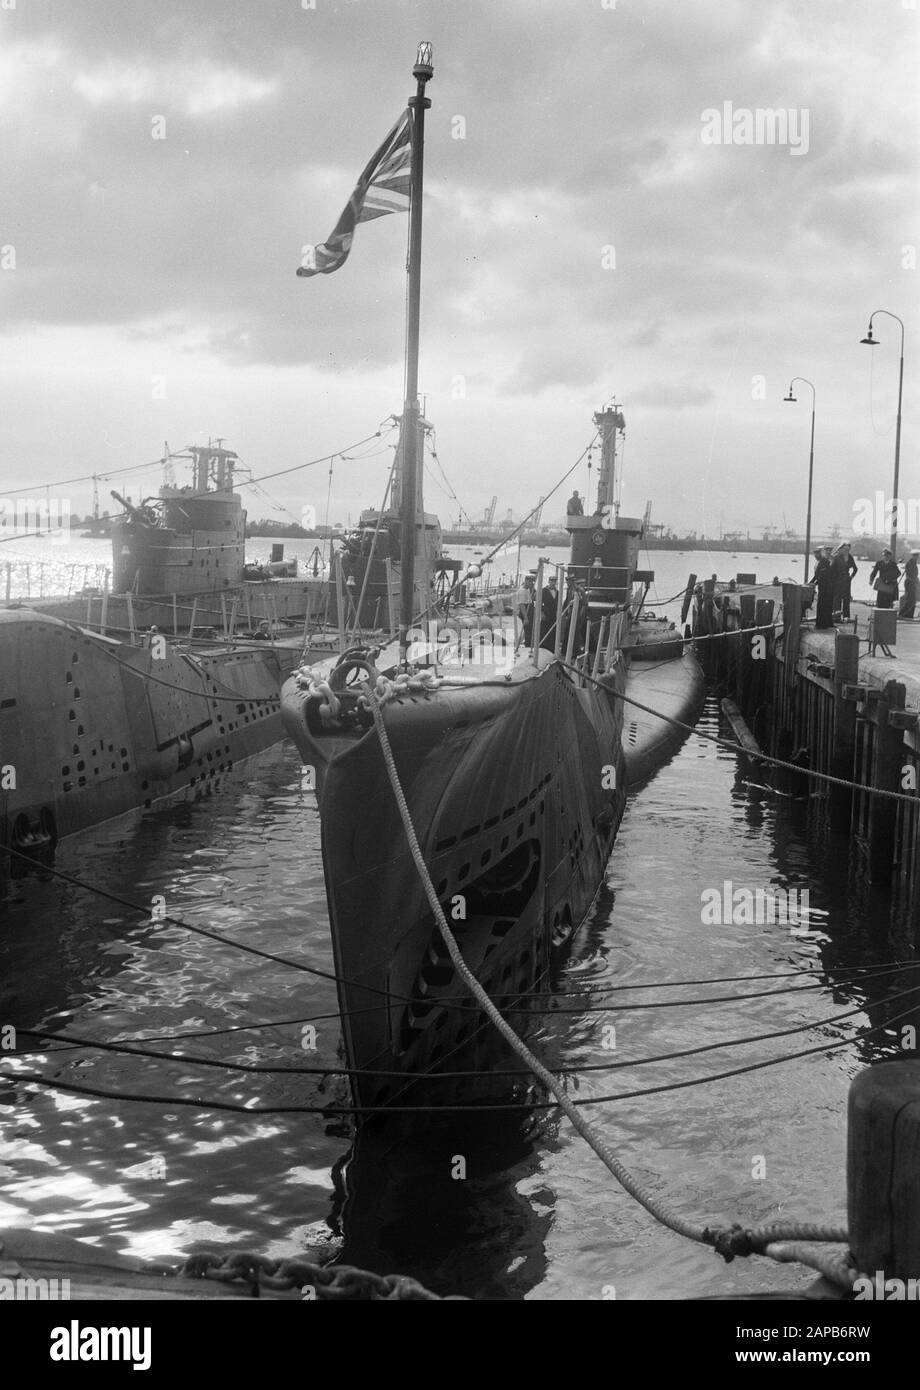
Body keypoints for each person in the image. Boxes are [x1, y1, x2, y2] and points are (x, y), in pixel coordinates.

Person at [808, 547, 835, 629]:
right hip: (822, 586)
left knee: (822, 605)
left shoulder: (824, 562)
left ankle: (822, 624)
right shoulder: (819, 562)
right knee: (822, 605)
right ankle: (823, 623)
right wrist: (810, 582)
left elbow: (822, 576)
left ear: (820, 553)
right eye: (815, 554)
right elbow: (817, 575)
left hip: (826, 587)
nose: (816, 556)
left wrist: (814, 583)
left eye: (817, 554)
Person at [830, 542, 858, 619]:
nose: (847, 551)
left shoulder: (850, 557)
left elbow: (855, 569)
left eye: (848, 550)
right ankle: (836, 616)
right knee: (837, 598)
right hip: (838, 580)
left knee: (846, 598)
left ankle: (846, 616)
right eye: (845, 549)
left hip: (846, 580)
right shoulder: (837, 557)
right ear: (841, 548)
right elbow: (832, 570)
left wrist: (851, 577)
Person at [539, 574, 559, 651]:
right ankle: (542, 648)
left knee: (553, 632)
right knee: (544, 631)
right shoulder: (543, 591)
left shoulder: (558, 592)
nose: (553, 583)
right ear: (549, 581)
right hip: (545, 614)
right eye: (551, 581)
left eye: (554, 581)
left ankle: (551, 649)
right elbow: (537, 602)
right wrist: (541, 612)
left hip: (554, 615)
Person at [899, 551, 919, 620]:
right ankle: (902, 614)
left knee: (912, 600)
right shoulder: (910, 563)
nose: (916, 557)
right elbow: (910, 575)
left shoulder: (914, 564)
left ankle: (909, 615)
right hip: (909, 583)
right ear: (912, 556)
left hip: (912, 583)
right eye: (915, 556)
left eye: (917, 556)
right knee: (910, 600)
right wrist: (915, 580)